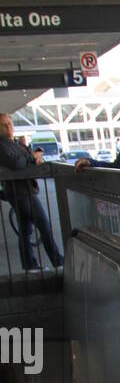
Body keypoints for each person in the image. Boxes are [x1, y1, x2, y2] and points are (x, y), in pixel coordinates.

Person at [0, 113, 64, 270]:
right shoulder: (2, 146)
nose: (9, 127)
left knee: (25, 231)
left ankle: (30, 265)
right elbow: (16, 162)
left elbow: (21, 159)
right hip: (22, 192)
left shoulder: (12, 143)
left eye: (10, 123)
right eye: (4, 125)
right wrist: (31, 156)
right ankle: (58, 262)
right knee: (43, 224)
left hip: (21, 191)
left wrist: (30, 155)